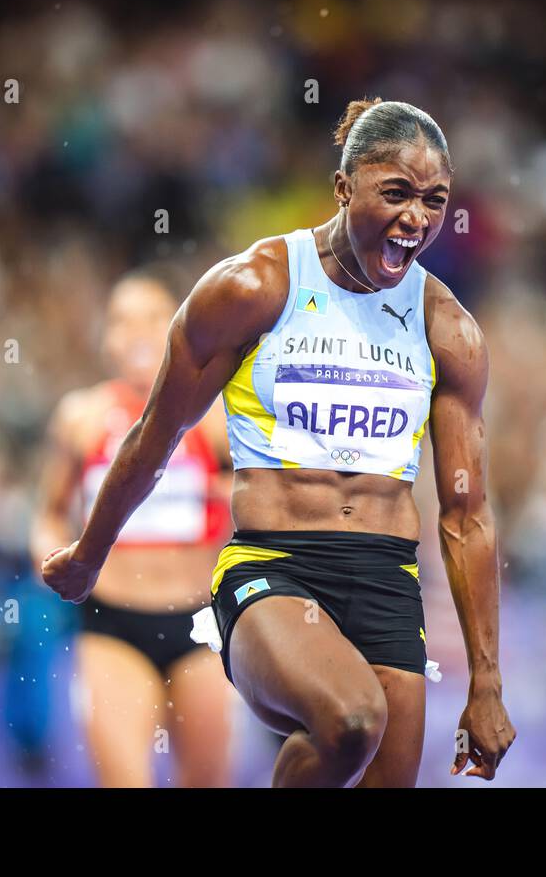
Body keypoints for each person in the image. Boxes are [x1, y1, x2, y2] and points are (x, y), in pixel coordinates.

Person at [43, 98, 515, 786]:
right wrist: (91, 552)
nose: (417, 218)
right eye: (397, 194)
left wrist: (487, 683)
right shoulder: (254, 287)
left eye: (435, 200)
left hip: (387, 578)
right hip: (273, 566)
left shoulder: (448, 329)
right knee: (351, 720)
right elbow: (155, 435)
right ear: (342, 187)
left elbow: (466, 513)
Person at [31, 266, 234, 787]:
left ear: (179, 326)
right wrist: (50, 558)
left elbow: (260, 497)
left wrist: (220, 493)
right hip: (113, 625)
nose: (138, 332)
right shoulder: (81, 417)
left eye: (152, 318)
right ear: (107, 337)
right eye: (122, 320)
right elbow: (49, 511)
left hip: (200, 623)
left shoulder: (213, 415)